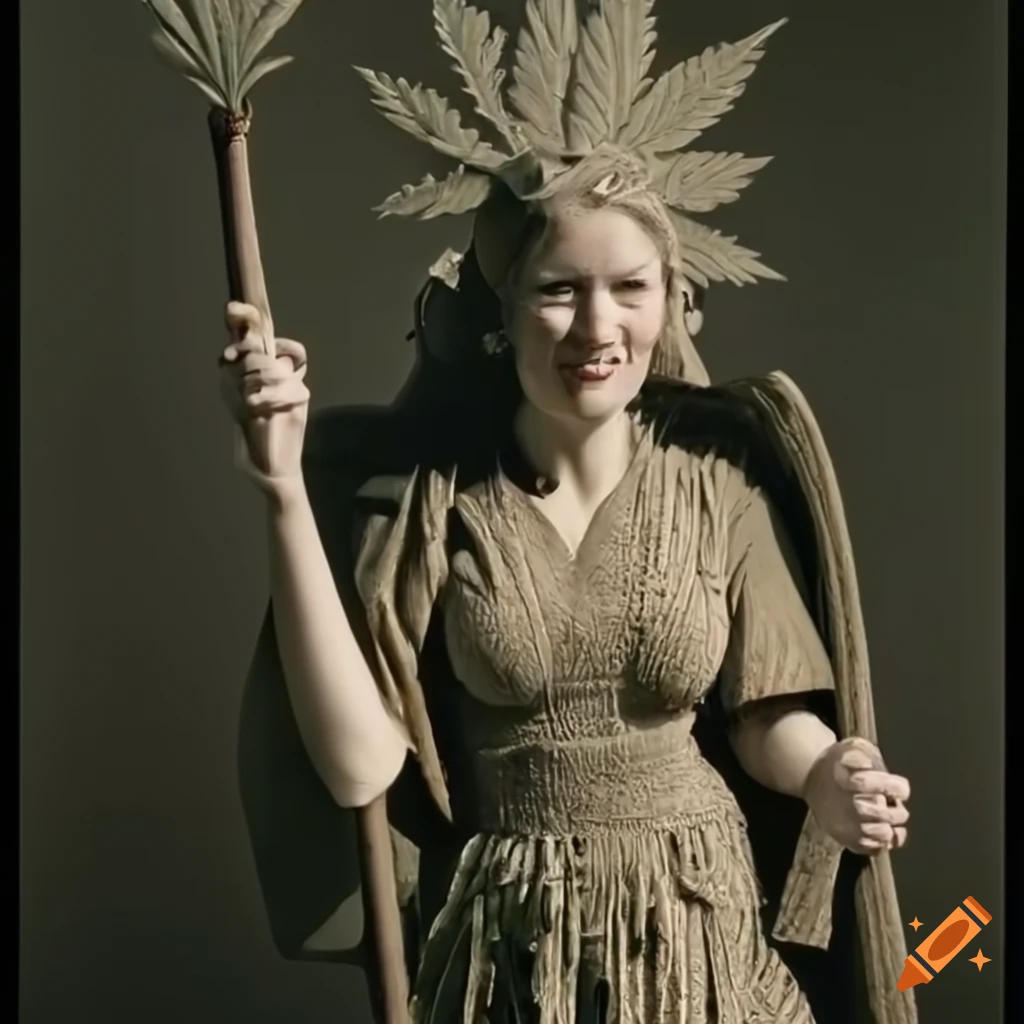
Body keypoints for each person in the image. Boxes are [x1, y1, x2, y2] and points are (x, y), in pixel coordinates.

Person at [225, 3, 918, 1021]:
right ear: (500, 312)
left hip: (703, 939)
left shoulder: (715, 480)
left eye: (629, 286)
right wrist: (282, 488)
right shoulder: (432, 502)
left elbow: (766, 708)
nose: (598, 327)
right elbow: (362, 762)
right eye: (557, 289)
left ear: (668, 297)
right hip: (514, 951)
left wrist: (826, 776)